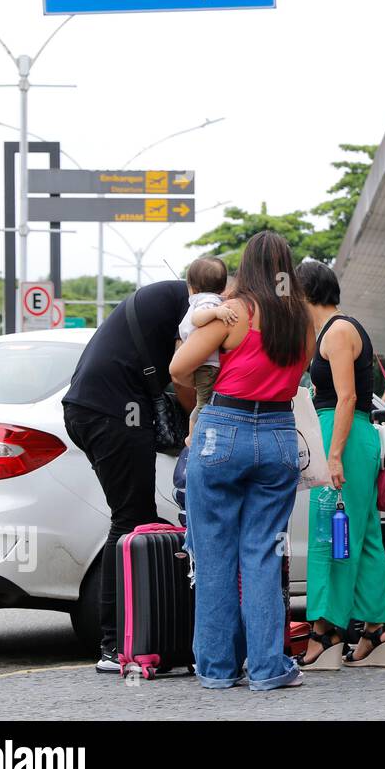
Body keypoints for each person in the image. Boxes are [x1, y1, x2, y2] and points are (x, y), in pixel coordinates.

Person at [169, 231, 314, 691]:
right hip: (277, 435)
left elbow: (178, 368)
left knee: (213, 556)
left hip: (222, 432)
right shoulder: (301, 321)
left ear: (245, 268)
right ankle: (269, 669)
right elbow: (297, 375)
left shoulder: (236, 313)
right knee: (264, 555)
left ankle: (216, 669)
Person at [62, 279, 190, 673]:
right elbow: (184, 374)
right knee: (131, 519)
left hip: (88, 407)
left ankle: (126, 637)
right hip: (115, 411)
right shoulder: (199, 307)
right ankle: (114, 644)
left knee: (132, 517)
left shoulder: (169, 295)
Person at [293, 260, 385, 669]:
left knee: (328, 533)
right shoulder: (336, 330)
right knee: (363, 535)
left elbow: (347, 396)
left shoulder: (338, 332)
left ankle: (324, 633)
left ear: (304, 294)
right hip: (354, 435)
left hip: (343, 436)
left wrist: (333, 455)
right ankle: (373, 631)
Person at [178, 256, 238, 429]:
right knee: (204, 402)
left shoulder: (205, 300)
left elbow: (196, 319)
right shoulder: (209, 301)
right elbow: (197, 319)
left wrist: (217, 311)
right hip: (204, 363)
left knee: (204, 402)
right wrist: (217, 312)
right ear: (223, 286)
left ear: (192, 287)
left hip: (204, 363)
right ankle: (193, 434)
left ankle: (194, 433)